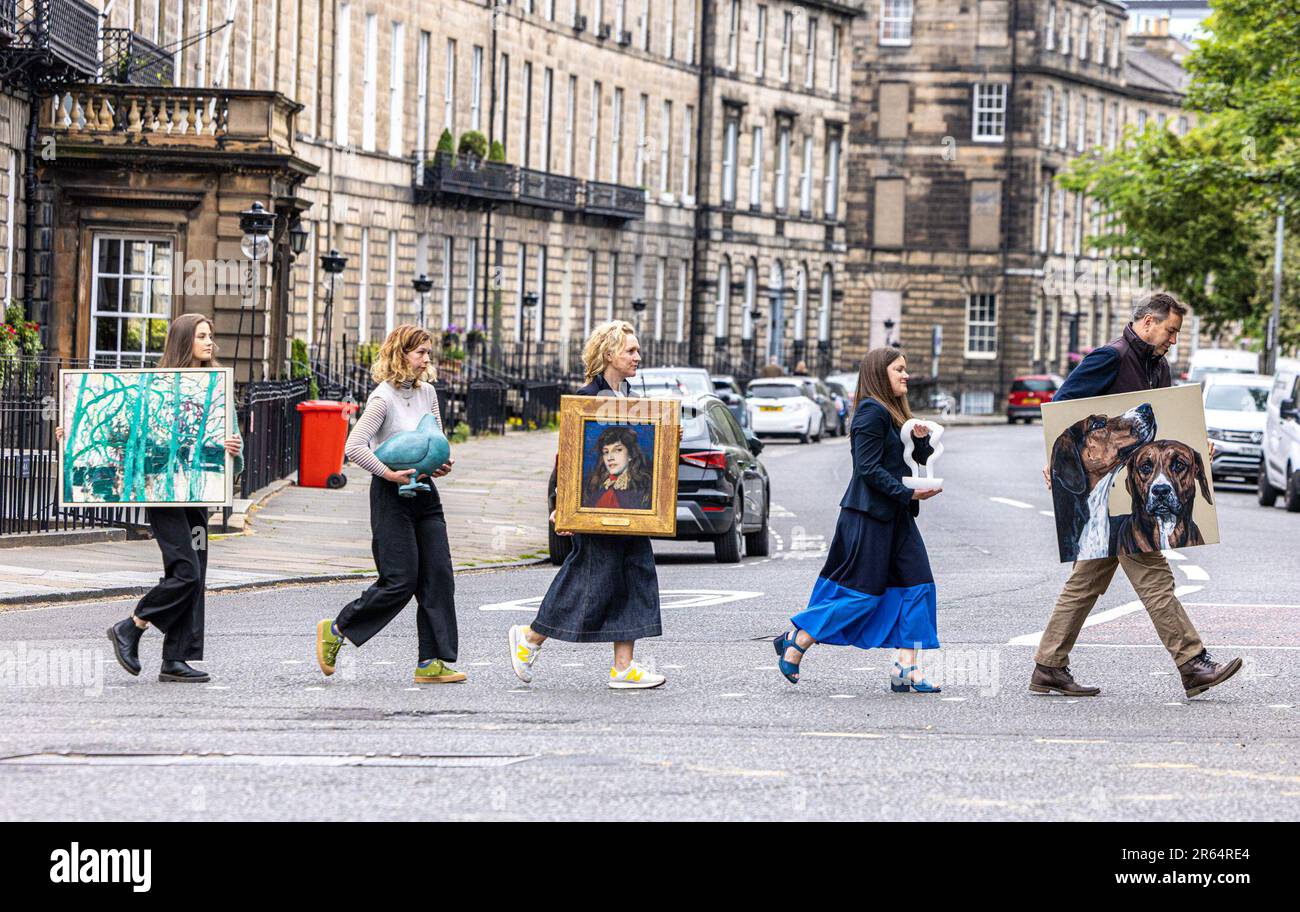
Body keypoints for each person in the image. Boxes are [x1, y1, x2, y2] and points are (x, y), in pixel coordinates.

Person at [1033, 292, 1241, 699]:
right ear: (1148, 322)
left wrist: (1201, 443)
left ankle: (1048, 665)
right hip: (1113, 497)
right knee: (1155, 576)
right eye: (1170, 330)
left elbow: (1160, 440)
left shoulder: (1158, 367)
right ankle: (1193, 662)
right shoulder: (1109, 358)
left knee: (1086, 582)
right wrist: (1056, 461)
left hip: (1125, 497)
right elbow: (1061, 406)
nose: (1174, 340)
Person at [508, 320, 678, 689]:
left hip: (631, 509)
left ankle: (623, 667)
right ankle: (530, 638)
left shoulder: (627, 396)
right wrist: (561, 504)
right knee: (588, 577)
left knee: (635, 576)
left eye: (636, 349)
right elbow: (568, 455)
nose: (637, 356)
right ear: (608, 354)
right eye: (630, 350)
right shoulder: (588, 396)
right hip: (596, 509)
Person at [775, 347, 944, 692]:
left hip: (896, 517)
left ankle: (906, 667)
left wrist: (921, 442)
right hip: (869, 517)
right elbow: (866, 469)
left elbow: (908, 462)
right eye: (899, 369)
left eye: (905, 368)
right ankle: (798, 638)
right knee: (861, 595)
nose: (906, 375)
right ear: (879, 374)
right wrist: (906, 493)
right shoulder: (870, 413)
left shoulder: (894, 413)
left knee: (917, 588)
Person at [94, 313, 243, 683]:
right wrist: (72, 436)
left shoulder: (217, 388)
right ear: (183, 341)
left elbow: (233, 448)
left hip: (198, 494)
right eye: (201, 336)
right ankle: (133, 625)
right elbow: (119, 432)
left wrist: (233, 450)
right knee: (186, 571)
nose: (210, 343)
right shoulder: (154, 387)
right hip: (162, 493)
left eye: (211, 336)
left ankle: (175, 659)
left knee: (195, 572)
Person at [314, 325, 463, 684]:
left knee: (438, 575)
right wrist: (389, 474)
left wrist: (440, 465)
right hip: (390, 494)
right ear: (401, 354)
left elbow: (435, 438)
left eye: (428, 352)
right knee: (400, 579)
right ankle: (338, 628)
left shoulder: (427, 393)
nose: (427, 359)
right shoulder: (383, 398)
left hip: (425, 491)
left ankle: (433, 661)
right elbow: (354, 447)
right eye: (420, 353)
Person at [581, 426, 653, 509]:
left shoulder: (646, 488)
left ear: (630, 455)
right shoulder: (593, 487)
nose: (610, 457)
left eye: (618, 450)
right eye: (606, 452)